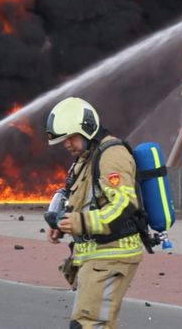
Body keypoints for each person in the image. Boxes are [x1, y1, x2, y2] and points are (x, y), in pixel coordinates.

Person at [45, 96, 143, 329]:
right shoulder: (84, 159)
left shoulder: (112, 155)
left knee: (89, 325)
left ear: (87, 128)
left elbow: (124, 206)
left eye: (71, 137)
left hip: (112, 253)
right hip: (96, 256)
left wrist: (80, 223)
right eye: (63, 140)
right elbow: (80, 198)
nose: (67, 144)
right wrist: (62, 223)